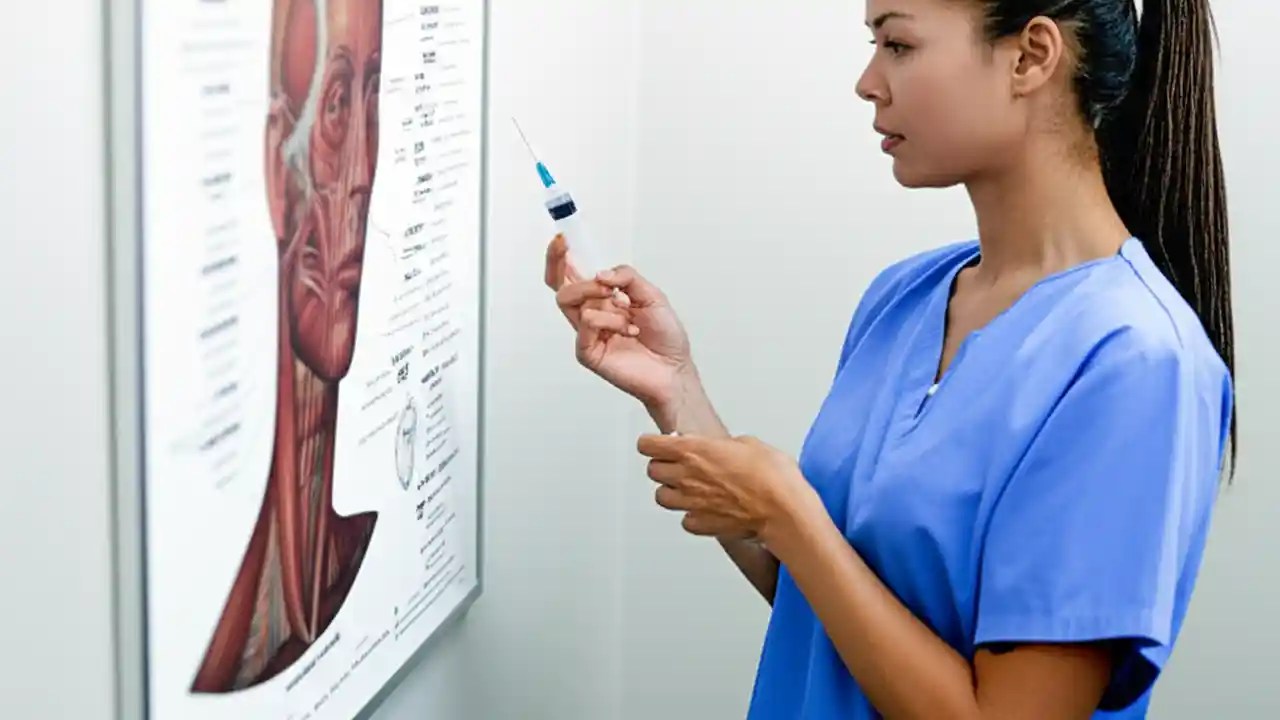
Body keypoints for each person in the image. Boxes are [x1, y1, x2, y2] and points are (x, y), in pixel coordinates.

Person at [545, 0, 1235, 717]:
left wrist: (787, 514)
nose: (868, 81)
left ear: (1031, 56)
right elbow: (827, 605)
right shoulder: (905, 298)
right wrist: (677, 389)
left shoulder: (1134, 362)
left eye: (898, 45)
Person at [191, 0, 384, 693]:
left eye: (374, 97)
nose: (363, 173)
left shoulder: (361, 552)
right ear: (278, 169)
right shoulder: (229, 651)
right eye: (336, 105)